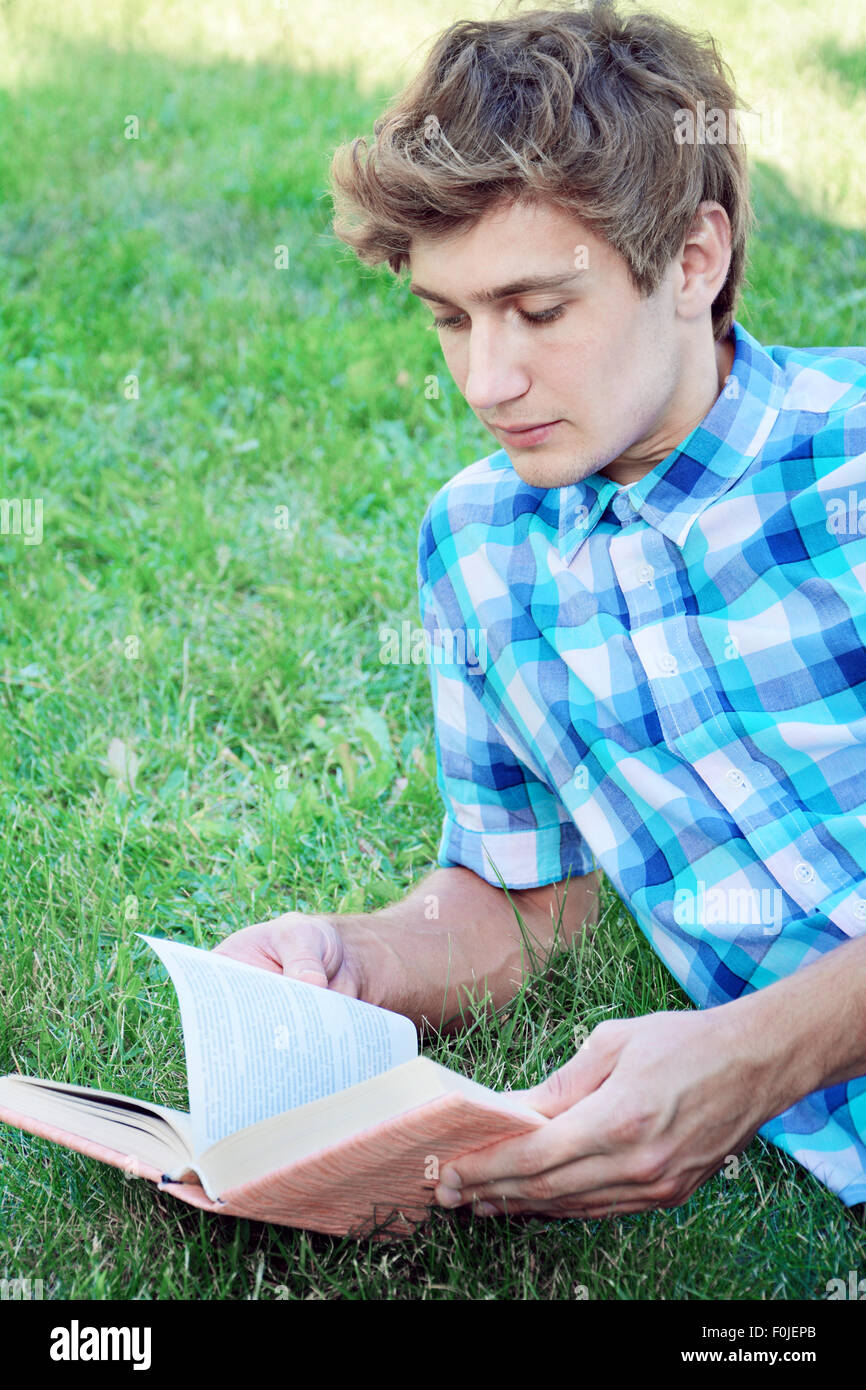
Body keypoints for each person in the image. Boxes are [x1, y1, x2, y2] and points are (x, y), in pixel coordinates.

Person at [215, 0, 866, 1220]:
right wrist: (352, 960)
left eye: (539, 310)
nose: (486, 379)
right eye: (449, 318)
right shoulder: (479, 546)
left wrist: (755, 1054)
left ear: (692, 260)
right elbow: (524, 903)